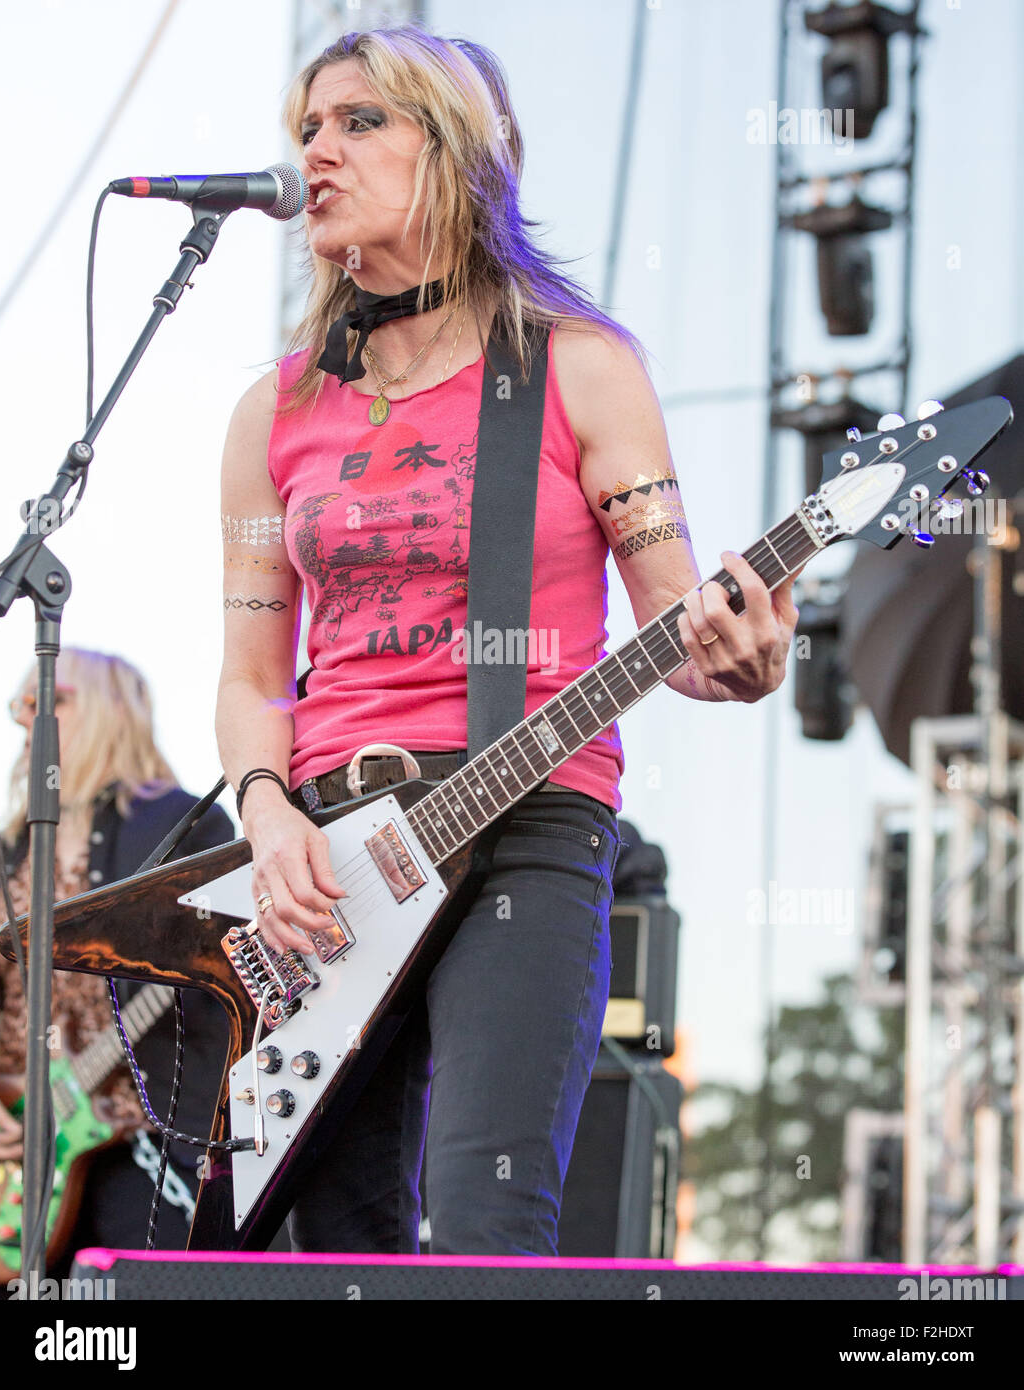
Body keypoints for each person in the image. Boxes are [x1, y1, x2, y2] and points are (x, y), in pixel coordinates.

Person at [216, 24, 798, 1256]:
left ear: (461, 154)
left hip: (527, 817)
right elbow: (252, 673)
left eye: (360, 121)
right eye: (306, 127)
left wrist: (740, 654)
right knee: (336, 1236)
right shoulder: (272, 414)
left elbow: (678, 629)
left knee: (488, 1212)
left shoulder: (580, 368)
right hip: (328, 859)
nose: (317, 150)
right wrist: (268, 815)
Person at [0, 648, 234, 1289]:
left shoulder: (187, 827)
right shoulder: (5, 851)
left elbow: (230, 977)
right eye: (20, 705)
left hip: (145, 1133)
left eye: (48, 701)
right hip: (20, 1134)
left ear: (107, 711)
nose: (25, 719)